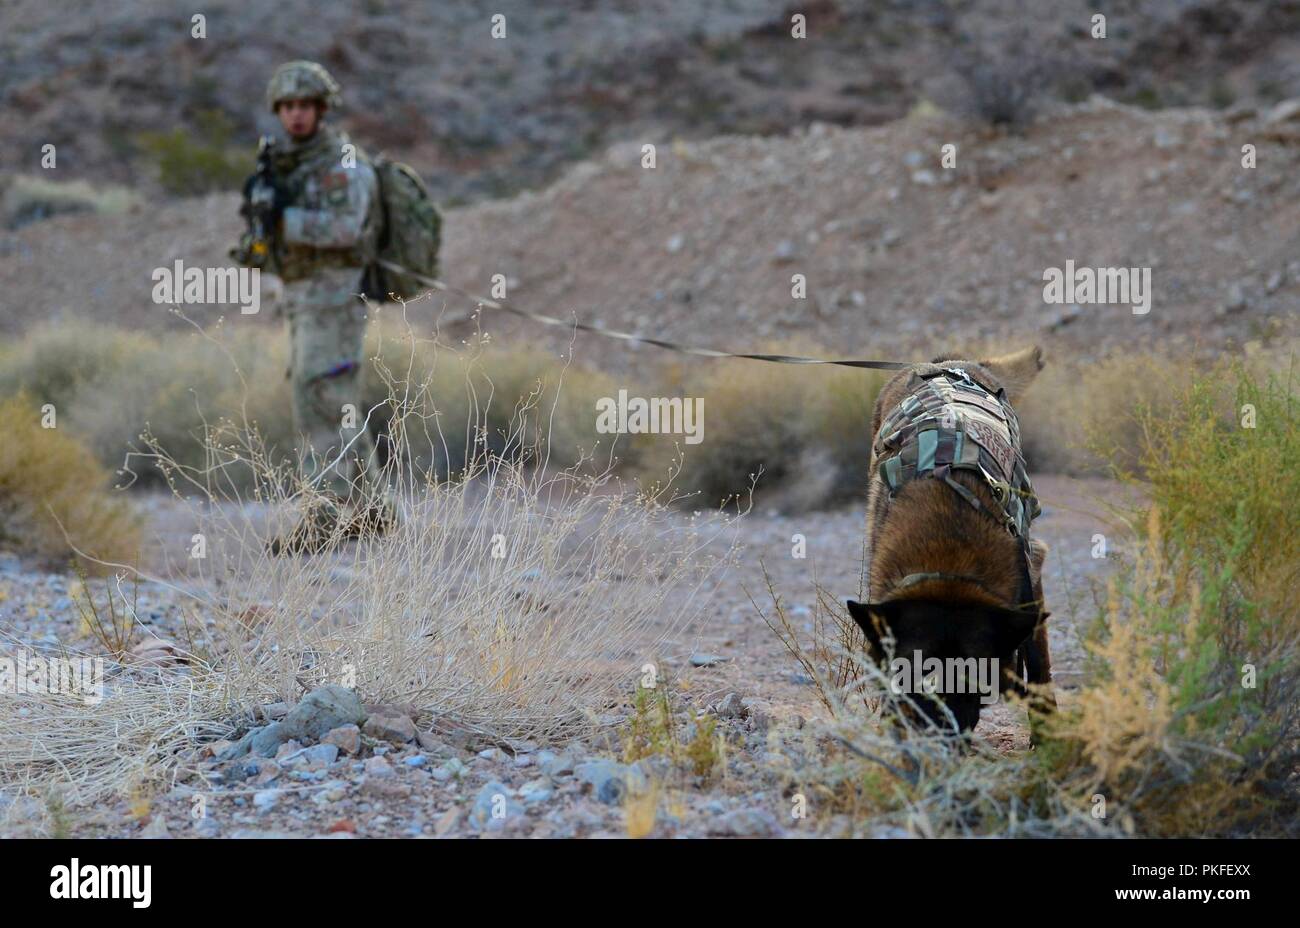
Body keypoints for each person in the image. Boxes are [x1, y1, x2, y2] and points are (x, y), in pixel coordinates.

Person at [236, 60, 391, 554]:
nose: (297, 115)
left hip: (335, 294)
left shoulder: (344, 162)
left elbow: (349, 228)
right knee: (330, 399)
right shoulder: (287, 163)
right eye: (288, 107)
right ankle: (375, 510)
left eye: (305, 106)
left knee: (318, 398)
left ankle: (321, 516)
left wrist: (287, 218)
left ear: (321, 109)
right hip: (303, 296)